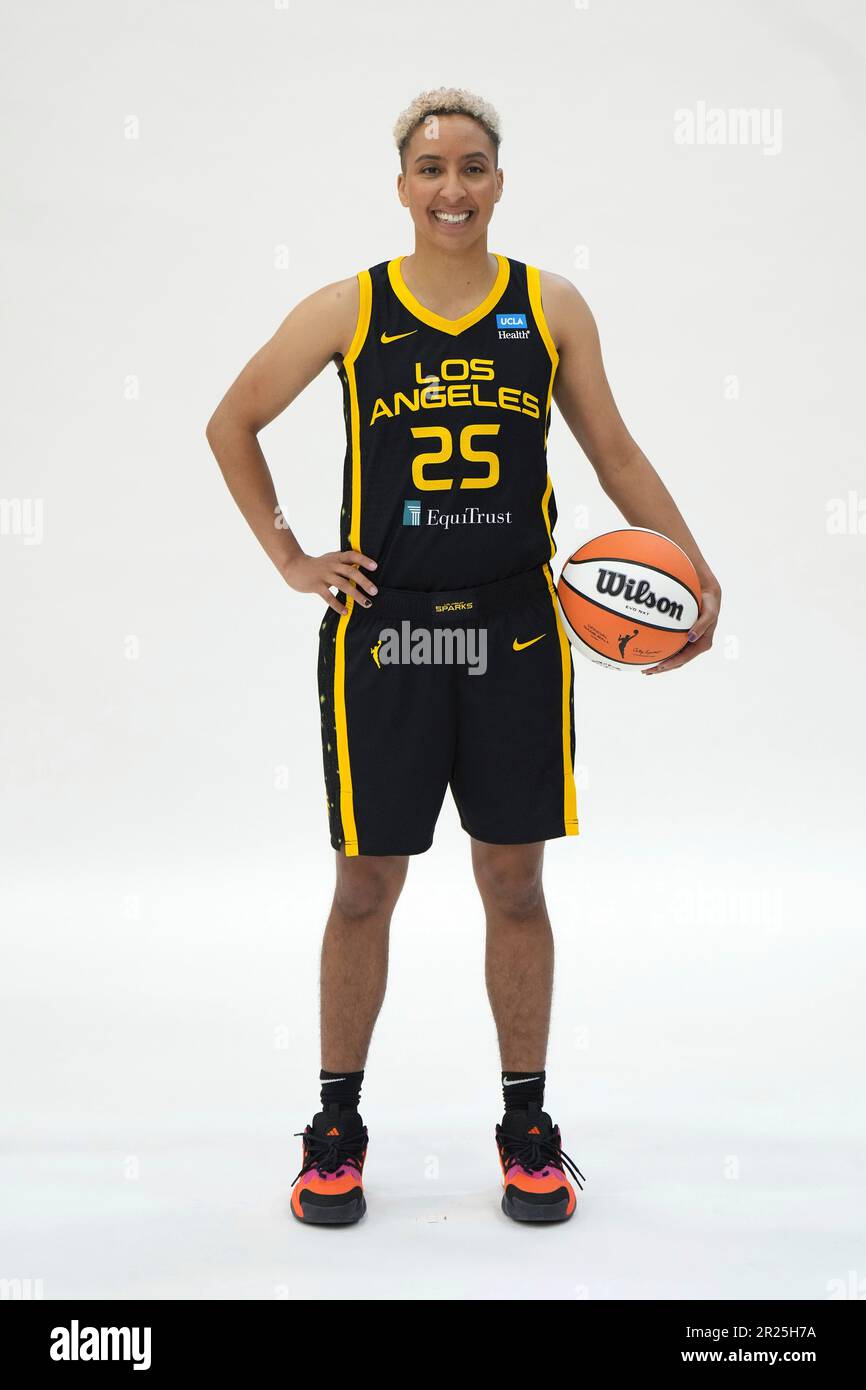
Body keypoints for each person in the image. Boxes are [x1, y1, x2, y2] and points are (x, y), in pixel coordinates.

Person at [205, 86, 722, 1226]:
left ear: (498, 181)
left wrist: (692, 568)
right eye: (432, 168)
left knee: (514, 883)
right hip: (384, 637)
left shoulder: (549, 307)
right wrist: (294, 557)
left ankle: (525, 1123)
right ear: (400, 187)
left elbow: (614, 452)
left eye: (473, 167)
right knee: (362, 886)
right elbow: (230, 421)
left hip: (515, 631)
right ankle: (335, 1126)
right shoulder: (350, 308)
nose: (452, 189)